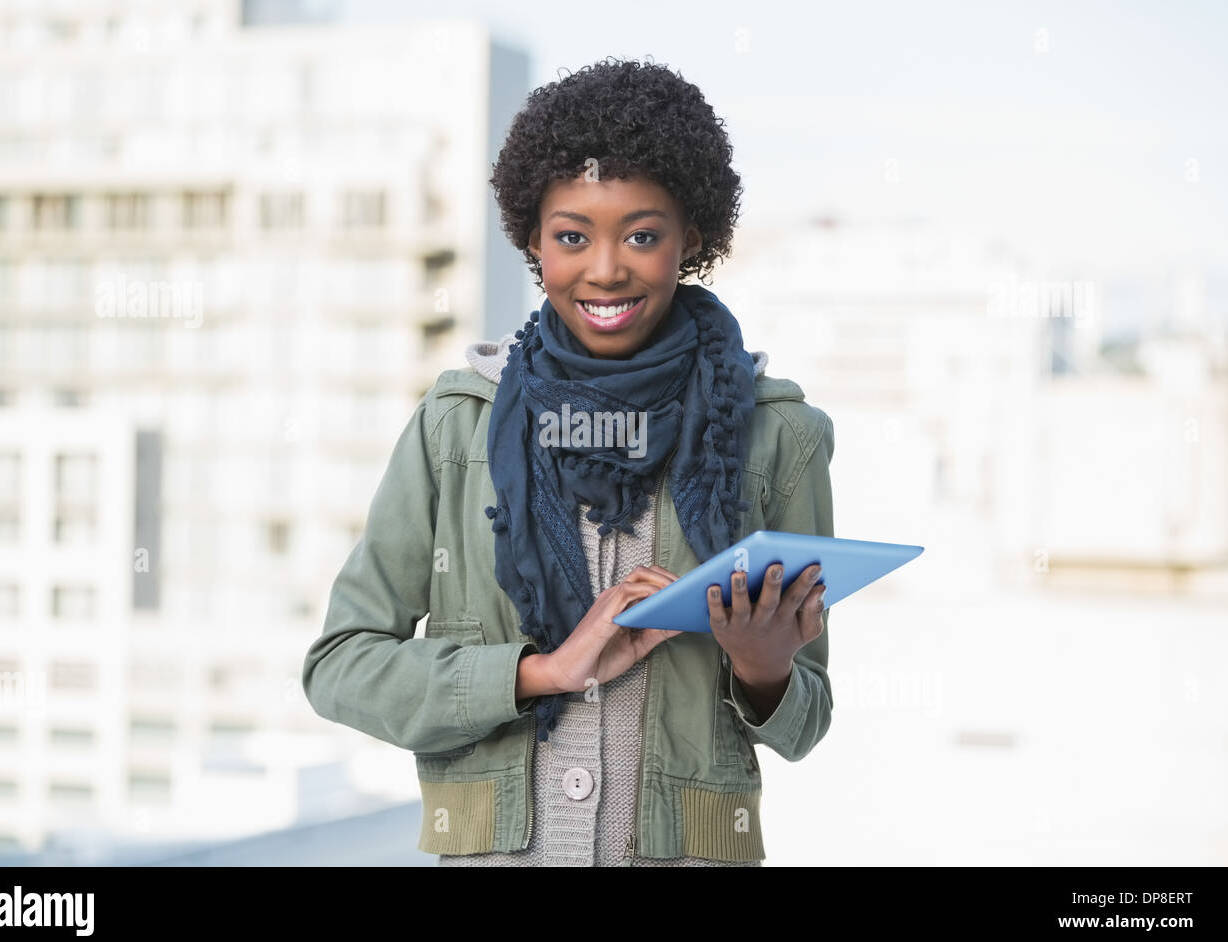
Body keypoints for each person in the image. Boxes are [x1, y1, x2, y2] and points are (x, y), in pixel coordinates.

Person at [303, 57, 835, 866]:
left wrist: (763, 670)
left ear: (691, 239)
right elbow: (341, 668)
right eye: (572, 236)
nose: (606, 267)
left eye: (643, 235)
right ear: (532, 244)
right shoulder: (456, 428)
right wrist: (537, 672)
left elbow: (807, 721)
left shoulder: (777, 435)